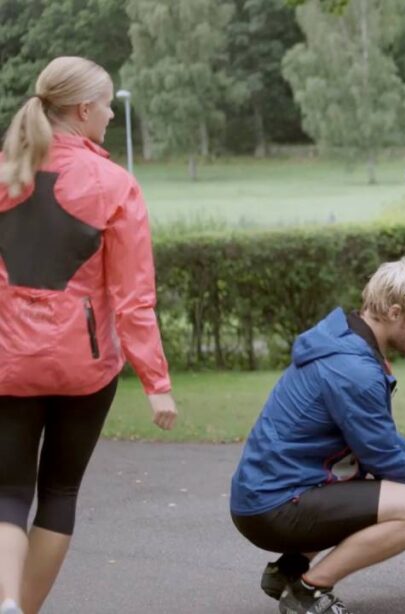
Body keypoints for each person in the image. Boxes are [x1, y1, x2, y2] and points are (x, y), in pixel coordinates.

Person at [0, 57, 178, 614]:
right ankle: (23, 612)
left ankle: (4, 601)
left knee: (6, 494)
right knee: (59, 493)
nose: (109, 114)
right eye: (105, 105)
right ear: (82, 110)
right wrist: (157, 383)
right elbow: (132, 299)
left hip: (8, 363)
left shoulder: (5, 174)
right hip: (86, 368)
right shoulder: (114, 183)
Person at [230, 258, 405, 614]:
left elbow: (377, 440)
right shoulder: (353, 368)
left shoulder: (345, 342)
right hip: (274, 507)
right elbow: (383, 458)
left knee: (377, 484)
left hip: (266, 498)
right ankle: (306, 592)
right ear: (395, 312)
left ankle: (288, 570)